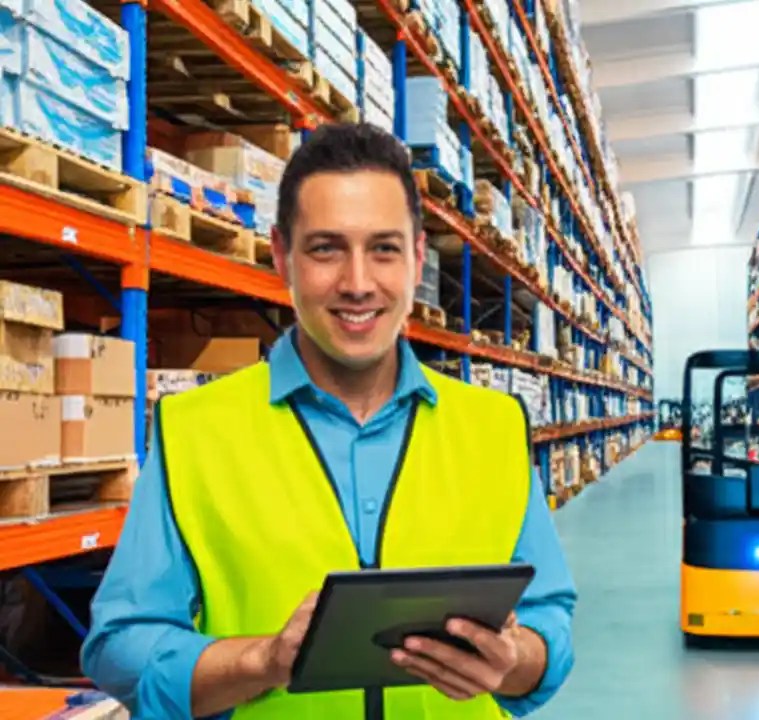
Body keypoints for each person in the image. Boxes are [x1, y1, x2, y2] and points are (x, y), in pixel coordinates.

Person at [81, 123, 577, 719]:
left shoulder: (493, 426)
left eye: (384, 249)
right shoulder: (196, 429)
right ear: (282, 256)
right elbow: (119, 646)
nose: (358, 283)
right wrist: (261, 660)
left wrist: (513, 657)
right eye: (326, 249)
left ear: (417, 258)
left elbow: (551, 620)